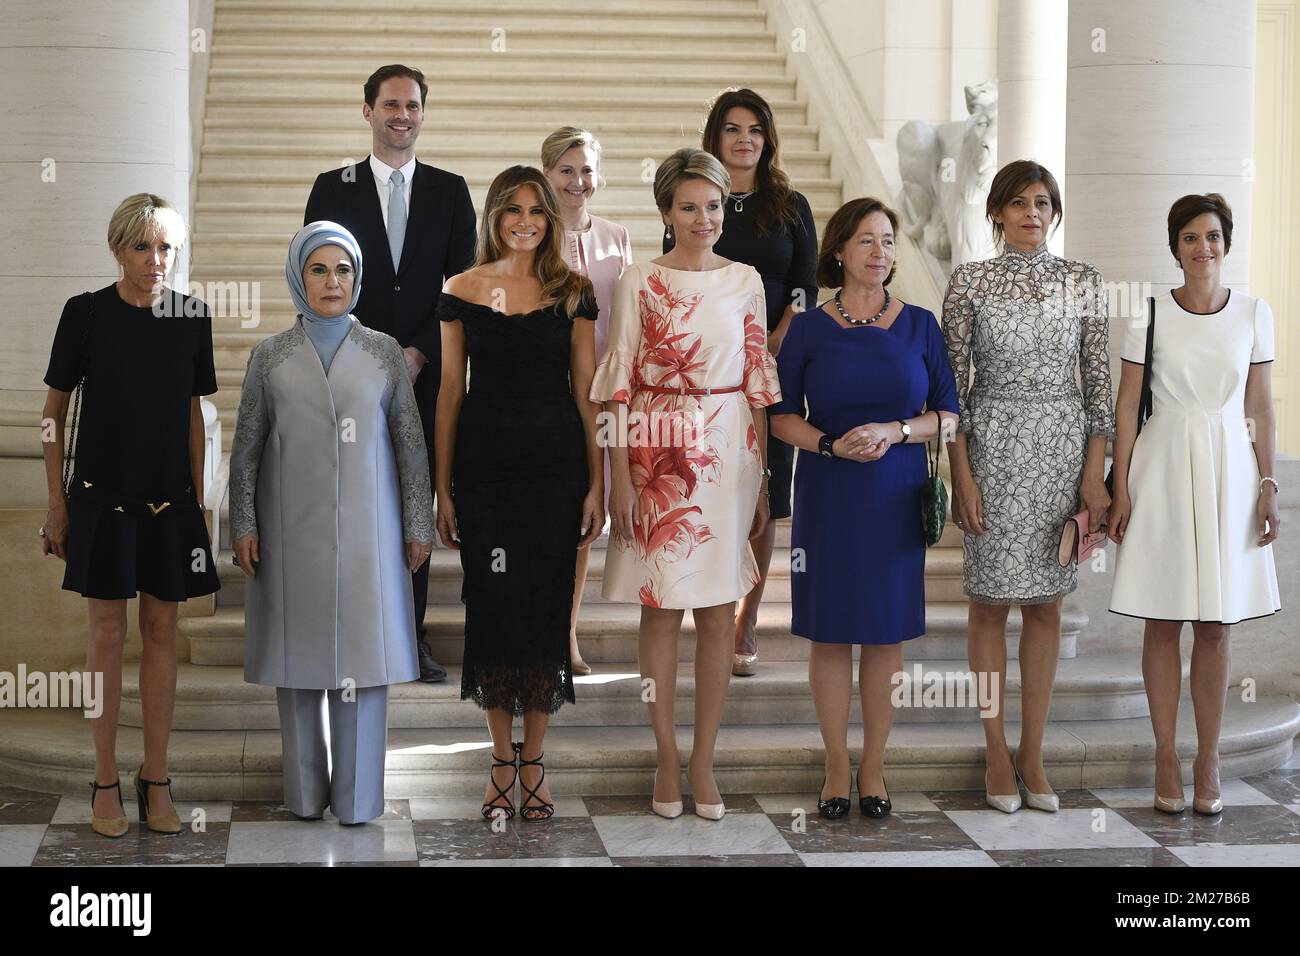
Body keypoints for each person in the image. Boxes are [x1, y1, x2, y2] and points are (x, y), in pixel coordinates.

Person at [595, 148, 781, 820]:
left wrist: (759, 479)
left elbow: (759, 382)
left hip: (729, 447)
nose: (703, 218)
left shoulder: (747, 280)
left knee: (717, 613)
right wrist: (618, 475)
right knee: (661, 608)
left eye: (713, 205)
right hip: (656, 447)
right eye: (688, 206)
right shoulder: (640, 279)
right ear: (666, 212)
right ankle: (666, 758)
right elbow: (616, 382)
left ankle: (703, 760)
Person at [229, 222, 434, 825]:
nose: (332, 281)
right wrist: (243, 521)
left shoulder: (383, 352)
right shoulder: (270, 356)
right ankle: (304, 795)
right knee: (296, 667)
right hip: (289, 532)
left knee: (365, 666)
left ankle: (359, 800)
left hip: (370, 536)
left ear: (357, 277)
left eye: (342, 270)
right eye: (318, 269)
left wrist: (417, 522)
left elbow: (411, 445)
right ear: (298, 276)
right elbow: (245, 450)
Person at [769, 198, 959, 818]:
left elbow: (949, 416)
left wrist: (896, 431)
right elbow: (780, 416)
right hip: (828, 492)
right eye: (867, 241)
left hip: (894, 493)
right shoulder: (807, 326)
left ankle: (873, 765)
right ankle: (833, 763)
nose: (880, 253)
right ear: (840, 251)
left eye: (888, 242)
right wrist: (829, 443)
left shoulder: (922, 325)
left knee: (884, 635)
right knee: (828, 634)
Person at [40, 192, 219, 837]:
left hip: (171, 501)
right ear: (118, 249)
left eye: (166, 247)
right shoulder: (84, 314)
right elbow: (52, 415)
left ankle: (157, 778)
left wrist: (199, 499)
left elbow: (195, 414)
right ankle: (105, 779)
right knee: (106, 634)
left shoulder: (191, 316)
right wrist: (56, 502)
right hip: (97, 498)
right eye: (142, 246)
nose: (156, 260)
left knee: (163, 631)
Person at [941, 160, 1115, 814]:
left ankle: (1032, 751)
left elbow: (1099, 390)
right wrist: (959, 473)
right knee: (988, 604)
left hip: (1062, 454)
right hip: (989, 450)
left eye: (1043, 202)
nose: (1032, 213)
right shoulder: (969, 285)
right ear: (996, 213)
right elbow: (950, 394)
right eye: (1018, 202)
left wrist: (1094, 476)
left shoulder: (1083, 282)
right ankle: (993, 747)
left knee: (1045, 605)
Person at [434, 167, 604, 821]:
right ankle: (499, 762)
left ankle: (534, 763)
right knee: (495, 617)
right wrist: (444, 490)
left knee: (541, 620)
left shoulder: (575, 291)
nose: (527, 220)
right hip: (485, 474)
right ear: (494, 217)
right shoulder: (460, 289)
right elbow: (450, 393)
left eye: (537, 209)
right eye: (514, 210)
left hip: (556, 474)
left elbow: (588, 393)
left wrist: (598, 482)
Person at [1108, 193, 1281, 816]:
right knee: (1163, 618)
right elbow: (1127, 405)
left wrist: (1268, 483)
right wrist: (1120, 486)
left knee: (1215, 623)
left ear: (1226, 244)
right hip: (1161, 463)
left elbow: (1260, 406)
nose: (1201, 248)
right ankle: (1165, 753)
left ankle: (1209, 754)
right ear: (1174, 246)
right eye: (1189, 237)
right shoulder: (1147, 314)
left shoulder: (1256, 313)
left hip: (1231, 467)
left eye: (1211, 236)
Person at [303, 63, 476, 684]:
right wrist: (370, 350)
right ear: (368, 110)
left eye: (412, 105)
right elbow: (318, 277)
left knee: (413, 501)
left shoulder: (450, 191)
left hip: (429, 375)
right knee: (348, 496)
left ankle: (411, 633)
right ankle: (352, 632)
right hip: (349, 369)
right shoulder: (333, 187)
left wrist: (421, 350)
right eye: (390, 104)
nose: (401, 115)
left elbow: (460, 285)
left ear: (423, 113)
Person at [664, 88, 817, 676]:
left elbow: (804, 284)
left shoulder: (791, 205)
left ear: (767, 138)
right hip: (704, 372)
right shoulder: (698, 199)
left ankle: (745, 617)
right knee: (708, 485)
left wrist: (774, 339)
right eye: (732, 129)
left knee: (767, 489)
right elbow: (674, 278)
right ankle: (703, 599)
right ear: (716, 137)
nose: (744, 139)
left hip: (777, 366)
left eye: (754, 129)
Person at [541, 126, 634, 676]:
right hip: (546, 395)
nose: (579, 181)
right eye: (567, 170)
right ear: (547, 173)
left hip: (601, 397)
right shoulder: (528, 234)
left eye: (587, 170)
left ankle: (567, 633)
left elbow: (627, 320)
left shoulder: (618, 236)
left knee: (584, 521)